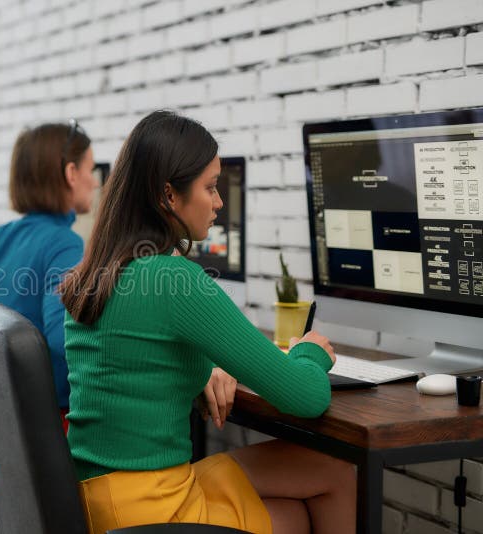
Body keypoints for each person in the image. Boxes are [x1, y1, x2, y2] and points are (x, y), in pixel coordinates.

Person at [59, 111, 356, 534]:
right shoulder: (172, 278)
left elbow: (137, 363)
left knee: (321, 473)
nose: (219, 202)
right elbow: (306, 396)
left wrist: (203, 369)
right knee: (325, 486)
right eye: (211, 187)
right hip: (151, 509)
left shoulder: (94, 271)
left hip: (99, 500)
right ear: (168, 195)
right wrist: (310, 350)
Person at [0, 120, 98, 490]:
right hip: (44, 440)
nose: (95, 181)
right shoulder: (64, 243)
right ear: (71, 173)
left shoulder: (2, 236)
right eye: (90, 170)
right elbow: (62, 339)